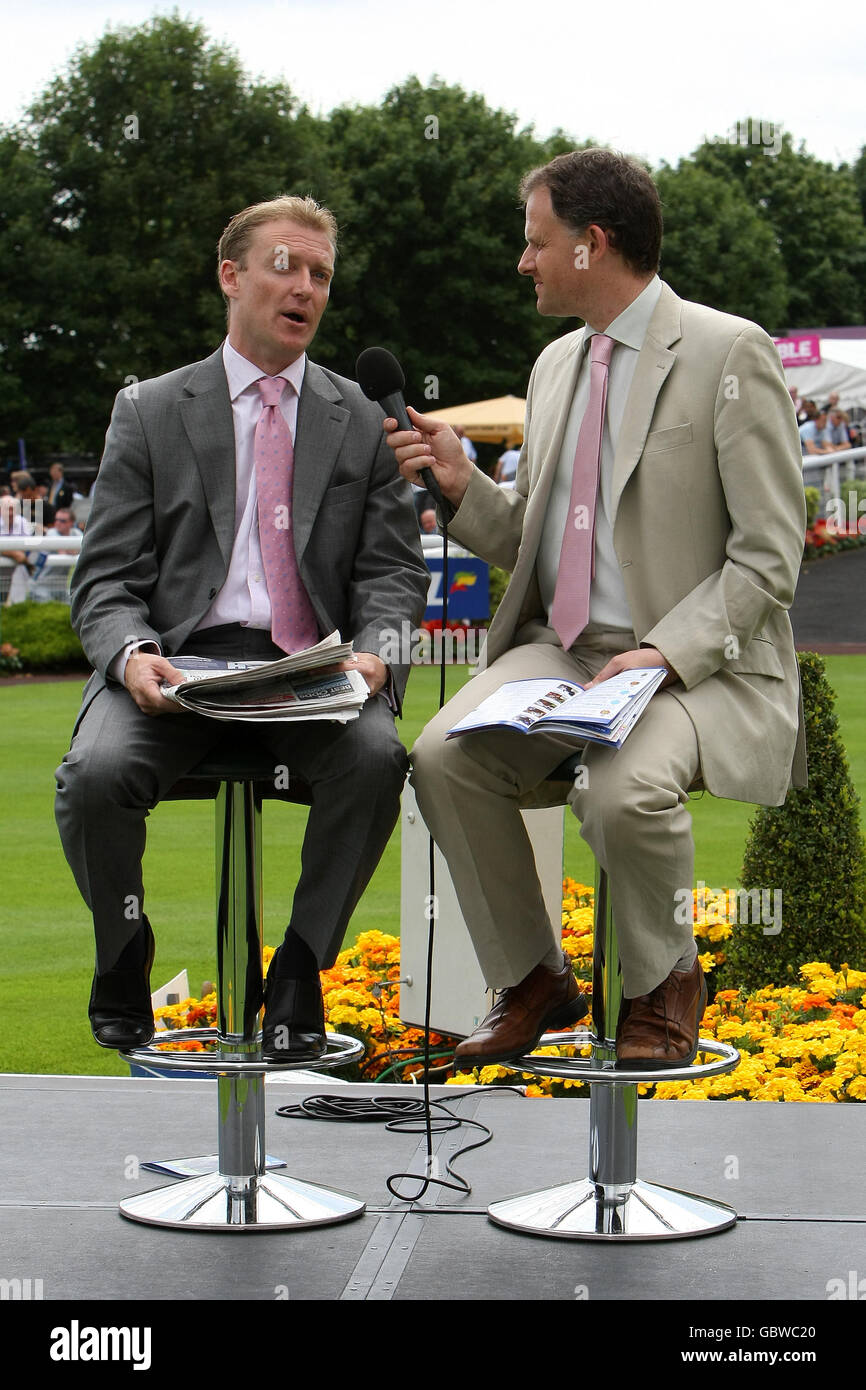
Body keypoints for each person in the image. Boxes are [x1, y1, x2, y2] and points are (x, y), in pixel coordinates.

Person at [385, 148, 806, 1070]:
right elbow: (538, 546)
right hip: (568, 656)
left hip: (699, 668)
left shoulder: (731, 351)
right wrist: (463, 489)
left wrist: (662, 653)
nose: (523, 262)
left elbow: (770, 556)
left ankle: (664, 985)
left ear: (593, 244)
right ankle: (535, 981)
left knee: (620, 792)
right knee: (441, 760)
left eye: (537, 243)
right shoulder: (553, 365)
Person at [55, 194, 429, 1059]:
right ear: (232, 276)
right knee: (95, 772)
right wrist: (132, 656)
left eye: (322, 275)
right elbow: (104, 578)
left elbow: (394, 576)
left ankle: (299, 968)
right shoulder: (147, 410)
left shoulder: (360, 423)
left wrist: (375, 658)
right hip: (179, 668)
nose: (306, 288)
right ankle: (123, 949)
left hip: (312, 671)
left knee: (378, 759)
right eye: (285, 266)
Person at [28, 507, 82, 603]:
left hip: (60, 585)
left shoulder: (76, 533)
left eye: (62, 521)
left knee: (70, 609)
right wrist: (74, 550)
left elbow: (83, 548)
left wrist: (73, 550)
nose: (57, 523)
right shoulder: (51, 533)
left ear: (71, 523)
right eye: (56, 519)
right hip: (40, 584)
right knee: (46, 611)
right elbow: (65, 551)